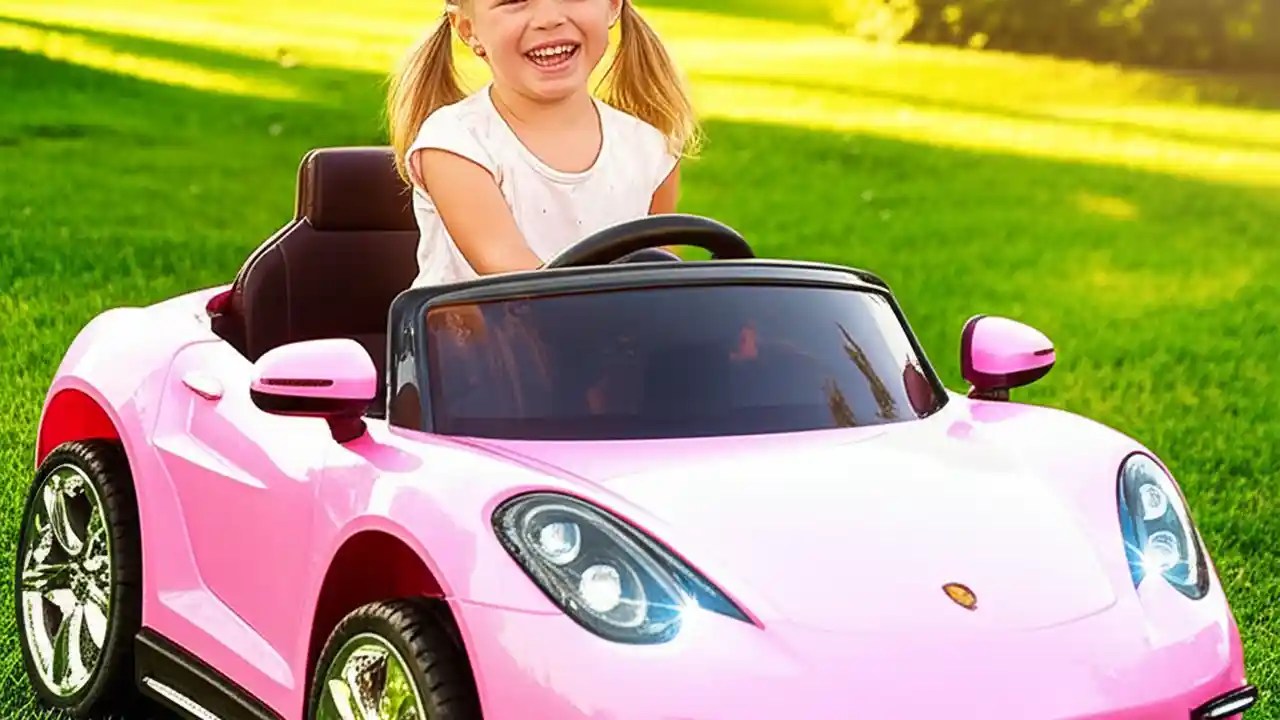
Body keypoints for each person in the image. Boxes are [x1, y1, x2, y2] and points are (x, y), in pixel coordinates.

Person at [387, 0, 700, 289]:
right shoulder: (457, 143)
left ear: (613, 5)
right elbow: (521, 287)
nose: (549, 19)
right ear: (468, 29)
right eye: (513, 0)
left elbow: (657, 282)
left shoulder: (649, 151)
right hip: (474, 346)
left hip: (610, 344)